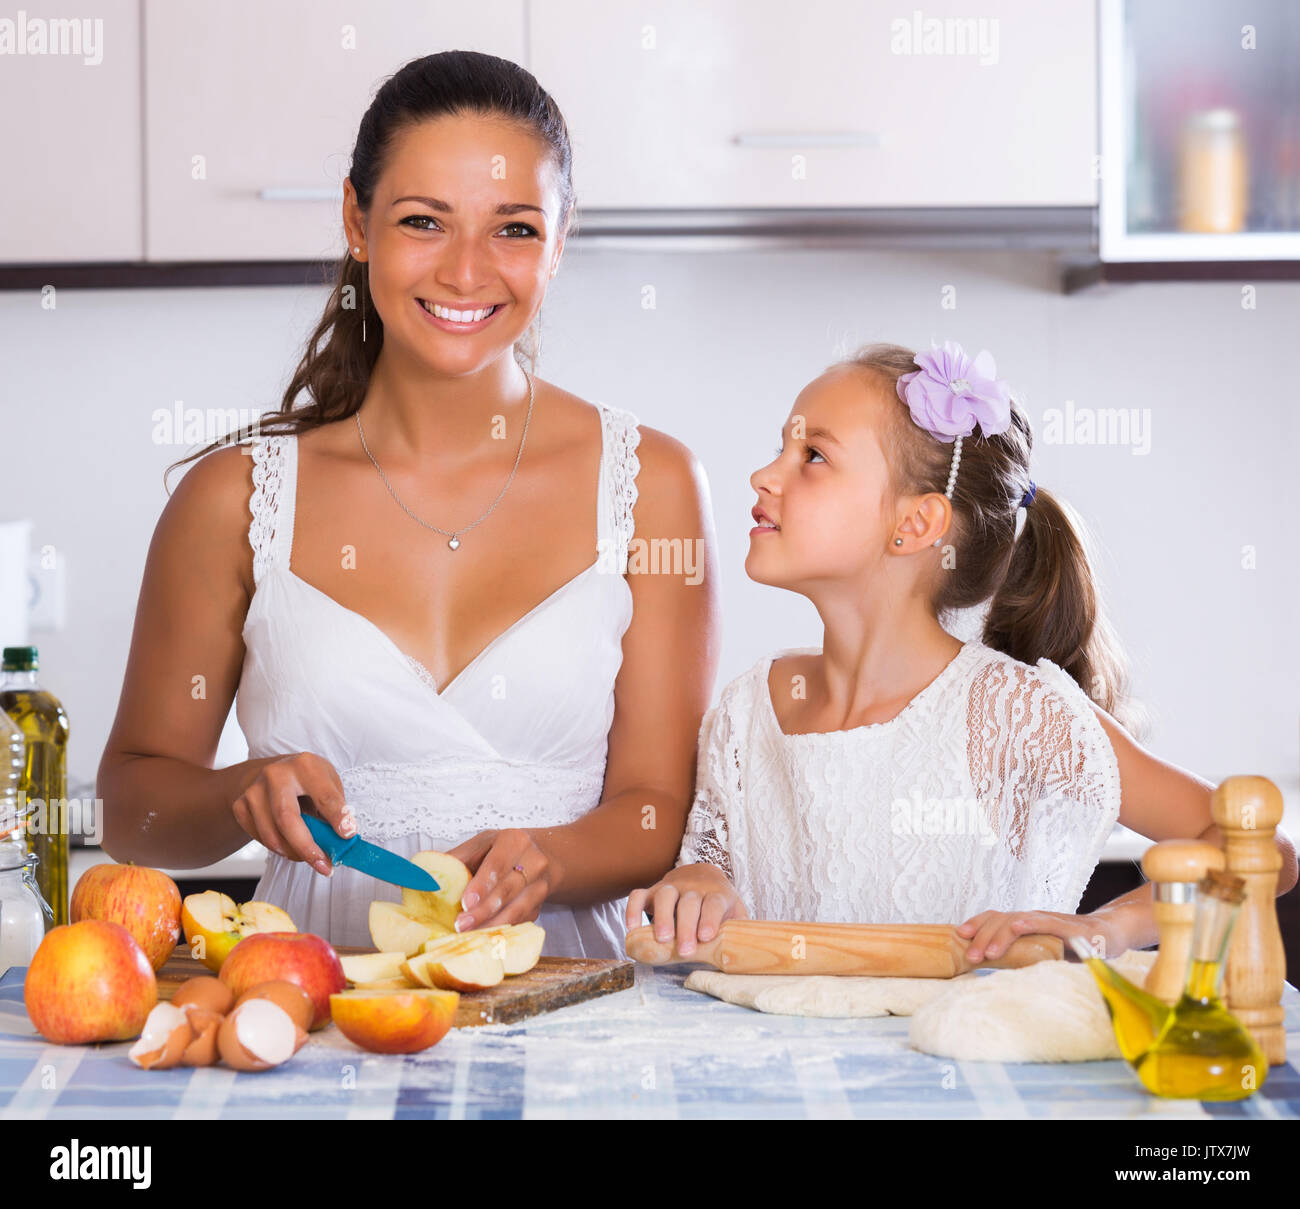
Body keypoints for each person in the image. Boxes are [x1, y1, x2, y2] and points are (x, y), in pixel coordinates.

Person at [99, 51, 719, 958]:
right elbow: (131, 811)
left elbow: (659, 809)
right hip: (313, 1008)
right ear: (356, 221)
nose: (467, 272)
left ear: (561, 234)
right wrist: (243, 788)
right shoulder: (231, 501)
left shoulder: (654, 484)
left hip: (568, 1006)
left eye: (513, 229)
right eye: (424, 221)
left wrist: (545, 857)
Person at [627, 340, 1297, 961]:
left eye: (813, 457)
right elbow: (710, 864)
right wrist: (698, 879)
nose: (764, 475)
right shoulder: (748, 712)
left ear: (916, 524)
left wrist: (1108, 926)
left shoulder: (1014, 711)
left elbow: (1260, 846)